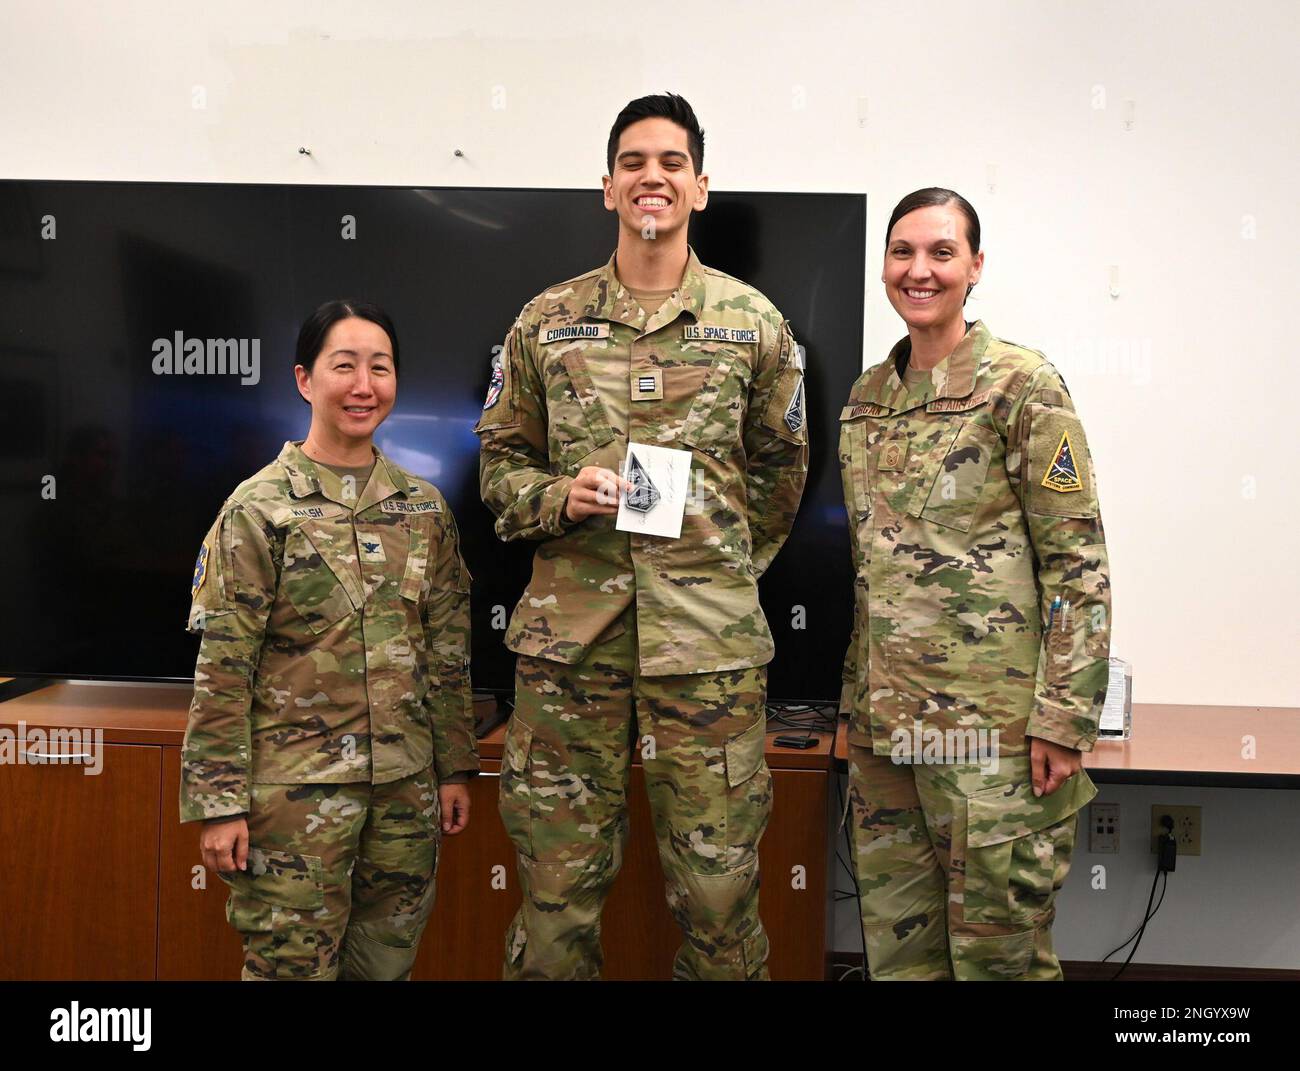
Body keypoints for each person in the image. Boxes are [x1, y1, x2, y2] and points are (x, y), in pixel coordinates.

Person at [475, 93, 808, 980]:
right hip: (568, 658)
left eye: (670, 162)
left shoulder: (755, 324)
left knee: (720, 904)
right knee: (553, 907)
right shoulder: (545, 321)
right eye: (633, 162)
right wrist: (558, 496)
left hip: (707, 661)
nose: (651, 177)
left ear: (700, 186)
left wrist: (715, 573)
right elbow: (498, 472)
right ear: (607, 186)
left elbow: (780, 479)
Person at [838, 188, 1111, 981]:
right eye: (901, 253)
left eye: (940, 253)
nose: (918, 270)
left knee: (1000, 966)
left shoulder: (1023, 388)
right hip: (888, 738)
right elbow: (871, 569)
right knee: (902, 965)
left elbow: (1077, 563)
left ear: (975, 267)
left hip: (990, 742)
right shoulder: (865, 399)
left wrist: (1063, 718)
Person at [180, 299, 478, 981]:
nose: (363, 384)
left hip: (404, 798)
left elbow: (448, 654)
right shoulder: (258, 508)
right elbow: (223, 669)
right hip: (294, 804)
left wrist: (455, 768)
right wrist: (219, 802)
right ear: (305, 380)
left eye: (380, 366)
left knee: (385, 970)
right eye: (344, 365)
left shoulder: (424, 509)